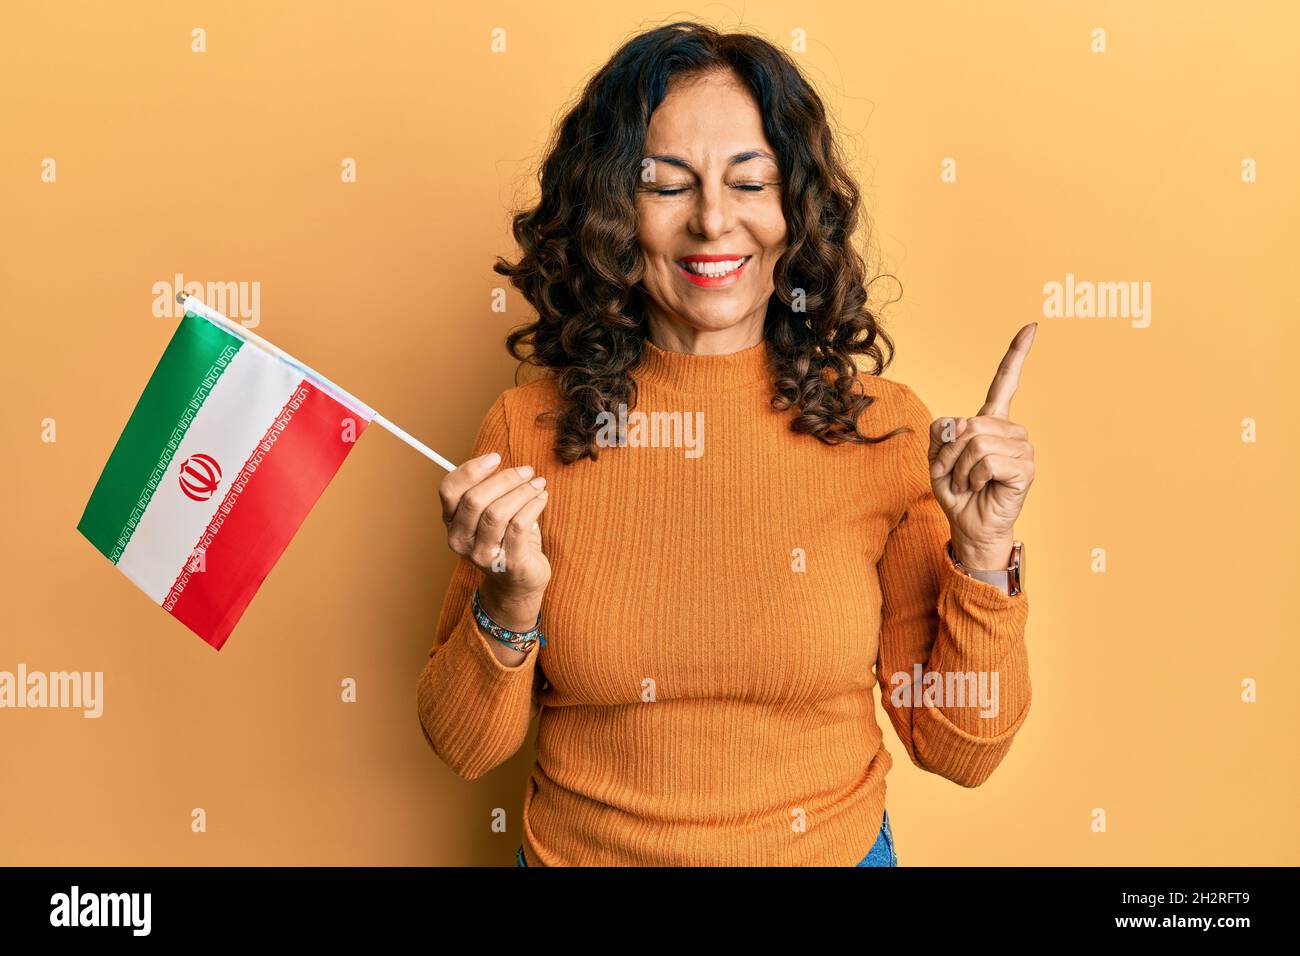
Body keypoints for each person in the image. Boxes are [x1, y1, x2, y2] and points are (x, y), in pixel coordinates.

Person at [416, 21, 1035, 867]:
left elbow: (961, 748)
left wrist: (984, 551)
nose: (714, 221)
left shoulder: (885, 431)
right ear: (612, 212)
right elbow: (464, 746)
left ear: (797, 208)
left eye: (751, 182)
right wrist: (508, 602)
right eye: (667, 186)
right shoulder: (527, 430)